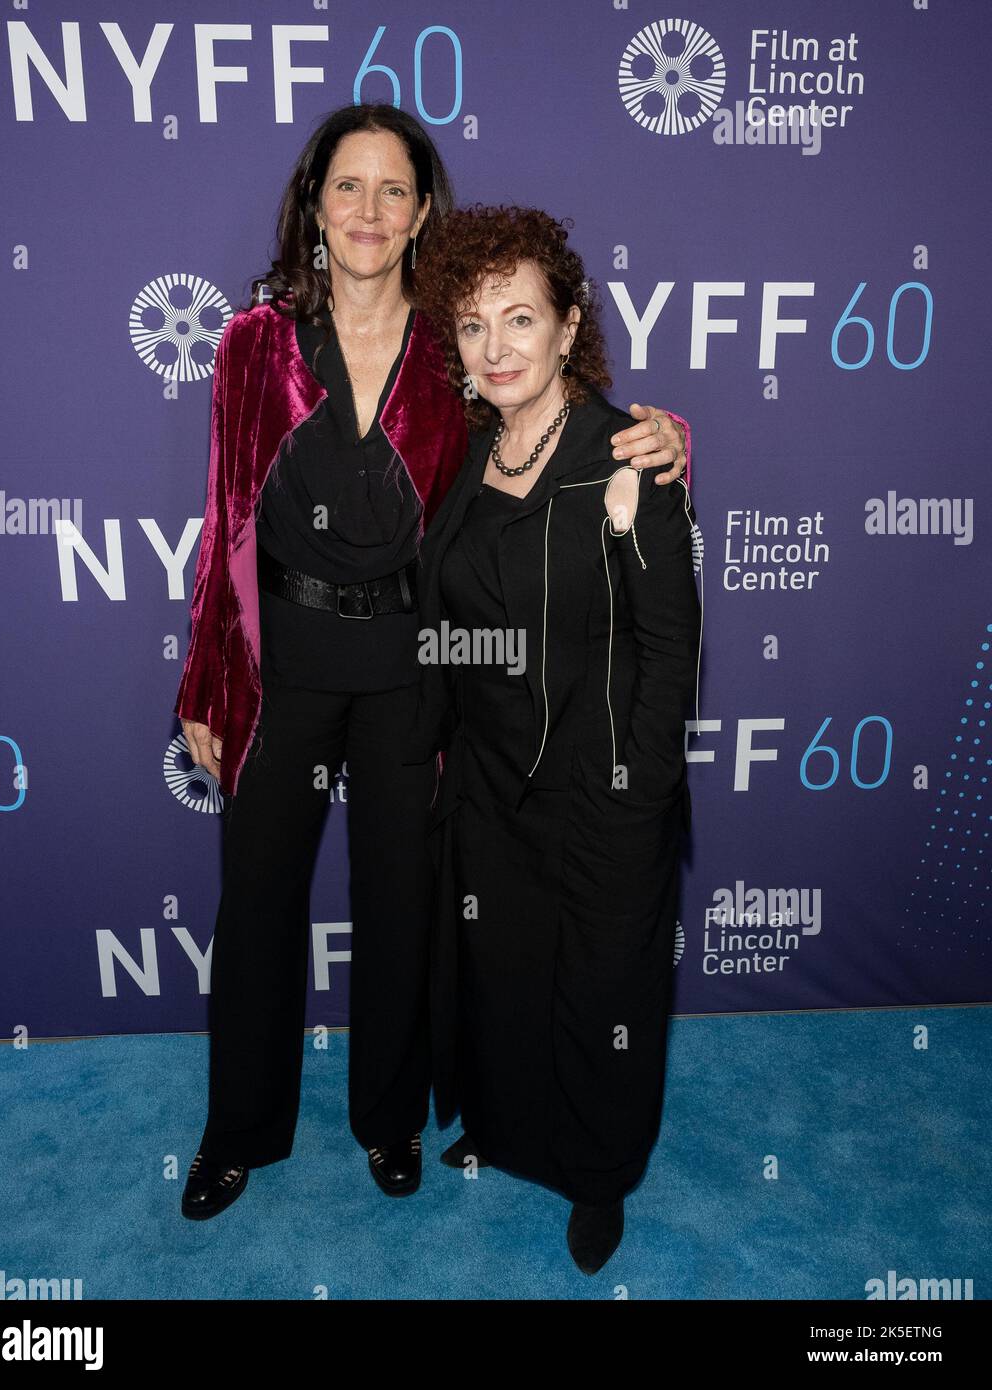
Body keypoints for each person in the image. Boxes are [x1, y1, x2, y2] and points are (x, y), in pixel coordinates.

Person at [173, 105, 691, 1221]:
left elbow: (550, 418)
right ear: (315, 206)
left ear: (420, 214)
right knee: (255, 902)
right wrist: (203, 683)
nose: (369, 210)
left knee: (403, 904)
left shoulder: (455, 348)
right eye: (347, 187)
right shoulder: (250, 345)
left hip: (417, 666)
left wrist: (660, 434)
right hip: (283, 669)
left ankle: (389, 1119)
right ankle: (237, 1129)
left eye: (393, 190)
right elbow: (221, 525)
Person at [405, 205, 702, 1274]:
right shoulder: (474, 453)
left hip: (601, 784)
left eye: (519, 319)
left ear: (568, 325)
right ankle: (509, 1126)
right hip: (489, 784)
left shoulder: (628, 454)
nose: (494, 348)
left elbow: (671, 649)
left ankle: (596, 1174)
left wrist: (639, 786)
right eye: (474, 326)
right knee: (505, 969)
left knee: (601, 990)